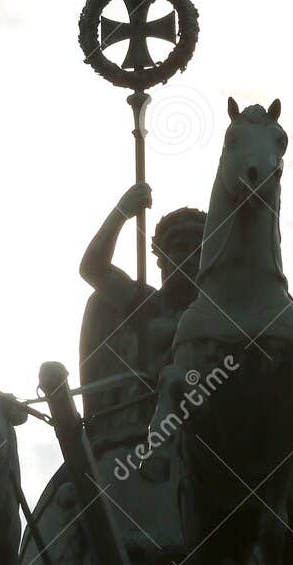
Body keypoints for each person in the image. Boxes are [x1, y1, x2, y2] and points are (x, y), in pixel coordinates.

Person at [77, 182, 205, 456]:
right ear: (163, 257)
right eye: (183, 248)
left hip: (198, 435)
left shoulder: (213, 317)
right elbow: (92, 268)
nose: (191, 259)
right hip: (136, 430)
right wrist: (122, 211)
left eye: (200, 251)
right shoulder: (141, 301)